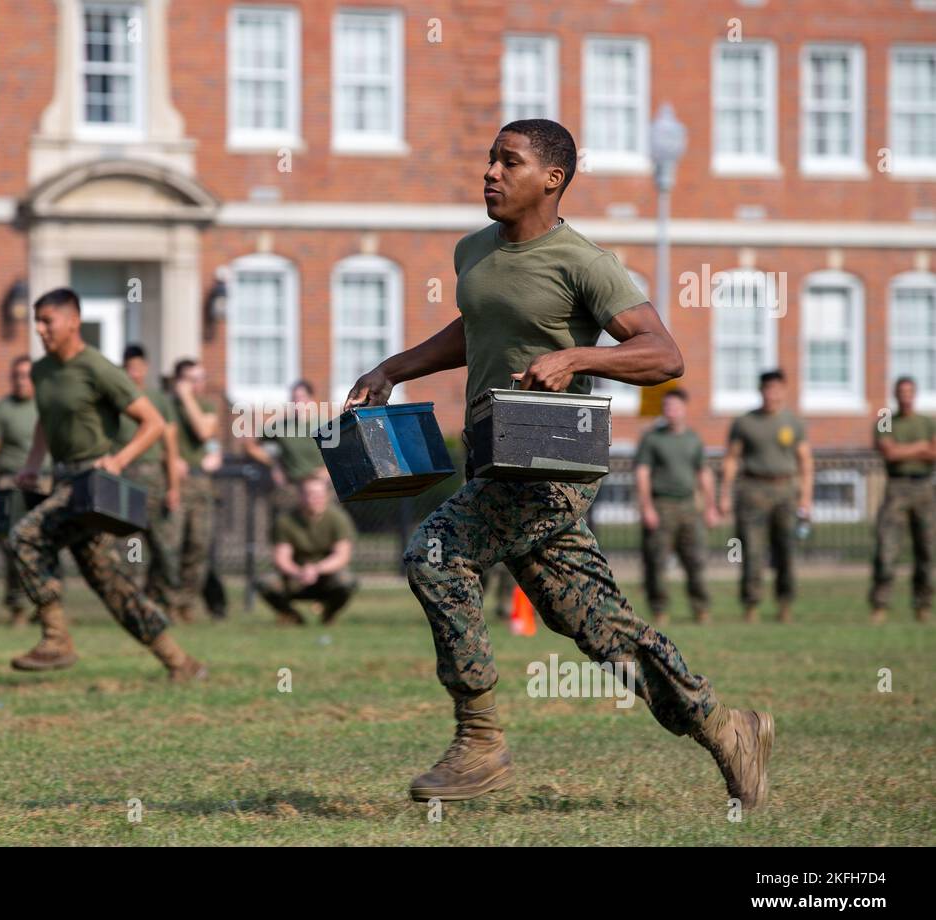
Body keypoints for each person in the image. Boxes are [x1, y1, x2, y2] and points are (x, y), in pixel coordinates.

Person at [344, 118, 773, 811]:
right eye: (488, 158)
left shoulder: (585, 262)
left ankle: (479, 740)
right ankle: (728, 729)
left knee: (432, 549)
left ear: (551, 179)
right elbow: (477, 323)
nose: (489, 171)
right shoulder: (473, 252)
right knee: (601, 630)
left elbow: (664, 354)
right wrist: (397, 366)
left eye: (508, 162)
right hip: (493, 461)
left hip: (553, 469)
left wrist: (579, 355)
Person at [8, 288, 206, 681]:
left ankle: (56, 638)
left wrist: (118, 460)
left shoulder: (97, 368)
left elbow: (152, 423)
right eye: (37, 320)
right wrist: (33, 465)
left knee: (26, 536)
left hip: (93, 483)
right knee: (111, 583)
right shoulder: (42, 371)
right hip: (64, 478)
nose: (40, 328)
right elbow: (46, 421)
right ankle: (181, 662)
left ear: (74, 321)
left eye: (48, 320)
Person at [718, 369, 813, 624]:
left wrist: (806, 498)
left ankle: (785, 603)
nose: (772, 394)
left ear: (784, 390)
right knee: (752, 551)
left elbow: (805, 462)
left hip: (785, 491)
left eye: (777, 388)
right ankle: (751, 604)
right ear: (761, 391)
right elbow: (731, 459)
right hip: (753, 490)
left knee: (787, 550)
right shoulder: (745, 422)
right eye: (767, 388)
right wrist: (724, 494)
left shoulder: (793, 423)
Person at [633, 387, 717, 627]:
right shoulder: (652, 439)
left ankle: (701, 609)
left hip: (689, 506)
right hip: (661, 505)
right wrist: (646, 507)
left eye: (675, 406)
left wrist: (711, 506)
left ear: (684, 409)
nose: (671, 411)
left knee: (696, 560)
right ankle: (659, 609)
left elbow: (704, 473)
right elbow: (642, 474)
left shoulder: (693, 439)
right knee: (656, 561)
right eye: (667, 407)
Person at [0, 355, 48, 627]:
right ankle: (18, 606)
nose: (21, 381)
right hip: (12, 485)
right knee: (15, 546)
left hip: (46, 482)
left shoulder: (47, 406)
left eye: (27, 375)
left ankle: (46, 604)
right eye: (16, 375)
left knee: (46, 546)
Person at [114, 344, 183, 602]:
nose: (133, 373)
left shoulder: (159, 401)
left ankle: (167, 601)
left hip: (154, 478)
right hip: (124, 479)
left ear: (146, 368)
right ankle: (132, 601)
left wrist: (173, 487)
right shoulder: (115, 400)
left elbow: (171, 447)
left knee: (164, 544)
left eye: (138, 367)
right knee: (129, 545)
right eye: (128, 368)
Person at [869, 376, 936, 624]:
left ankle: (923, 606)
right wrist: (920, 448)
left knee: (927, 551)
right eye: (901, 392)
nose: (906, 396)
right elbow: (889, 451)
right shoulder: (887, 420)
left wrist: (905, 450)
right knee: (887, 549)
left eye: (910, 391)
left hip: (924, 488)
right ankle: (880, 605)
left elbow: (934, 452)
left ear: (915, 394)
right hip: (896, 487)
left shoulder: (927, 423)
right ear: (895, 395)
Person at [255, 475, 358, 625]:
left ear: (327, 495)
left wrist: (316, 569)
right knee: (266, 583)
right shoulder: (285, 521)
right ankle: (292, 616)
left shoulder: (338, 518)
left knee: (346, 580)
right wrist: (299, 572)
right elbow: (282, 558)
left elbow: (342, 556)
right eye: (310, 494)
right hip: (295, 577)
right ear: (300, 495)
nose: (315, 498)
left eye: (319, 494)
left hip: (326, 577)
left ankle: (329, 614)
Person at [167, 359, 220, 622]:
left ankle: (186, 602)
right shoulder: (165, 406)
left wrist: (187, 398)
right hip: (171, 484)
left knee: (198, 545)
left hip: (199, 486)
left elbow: (203, 432)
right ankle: (168, 602)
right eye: (191, 379)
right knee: (170, 545)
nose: (198, 384)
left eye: (201, 378)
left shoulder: (207, 406)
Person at [243, 379, 328, 517]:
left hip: (319, 488)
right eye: (294, 398)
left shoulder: (325, 425)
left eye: (301, 398)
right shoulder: (282, 427)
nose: (297, 402)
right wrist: (273, 463)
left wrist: (327, 471)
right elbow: (250, 445)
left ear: (311, 399)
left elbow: (343, 454)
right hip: (291, 488)